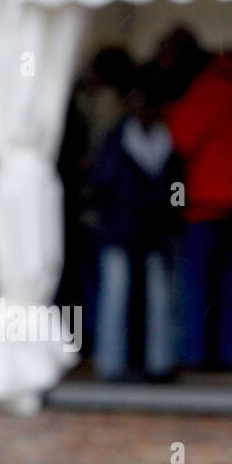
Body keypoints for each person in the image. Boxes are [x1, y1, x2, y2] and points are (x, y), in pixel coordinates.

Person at [165, 33, 232, 370]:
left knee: (196, 285)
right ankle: (231, 354)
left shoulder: (208, 89)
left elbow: (179, 138)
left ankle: (193, 355)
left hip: (205, 203)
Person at [86, 67, 181, 380]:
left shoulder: (166, 142)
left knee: (159, 299)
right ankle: (112, 363)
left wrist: (171, 216)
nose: (144, 112)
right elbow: (101, 185)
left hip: (154, 233)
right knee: (116, 295)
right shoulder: (117, 141)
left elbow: (176, 188)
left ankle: (159, 363)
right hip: (120, 231)